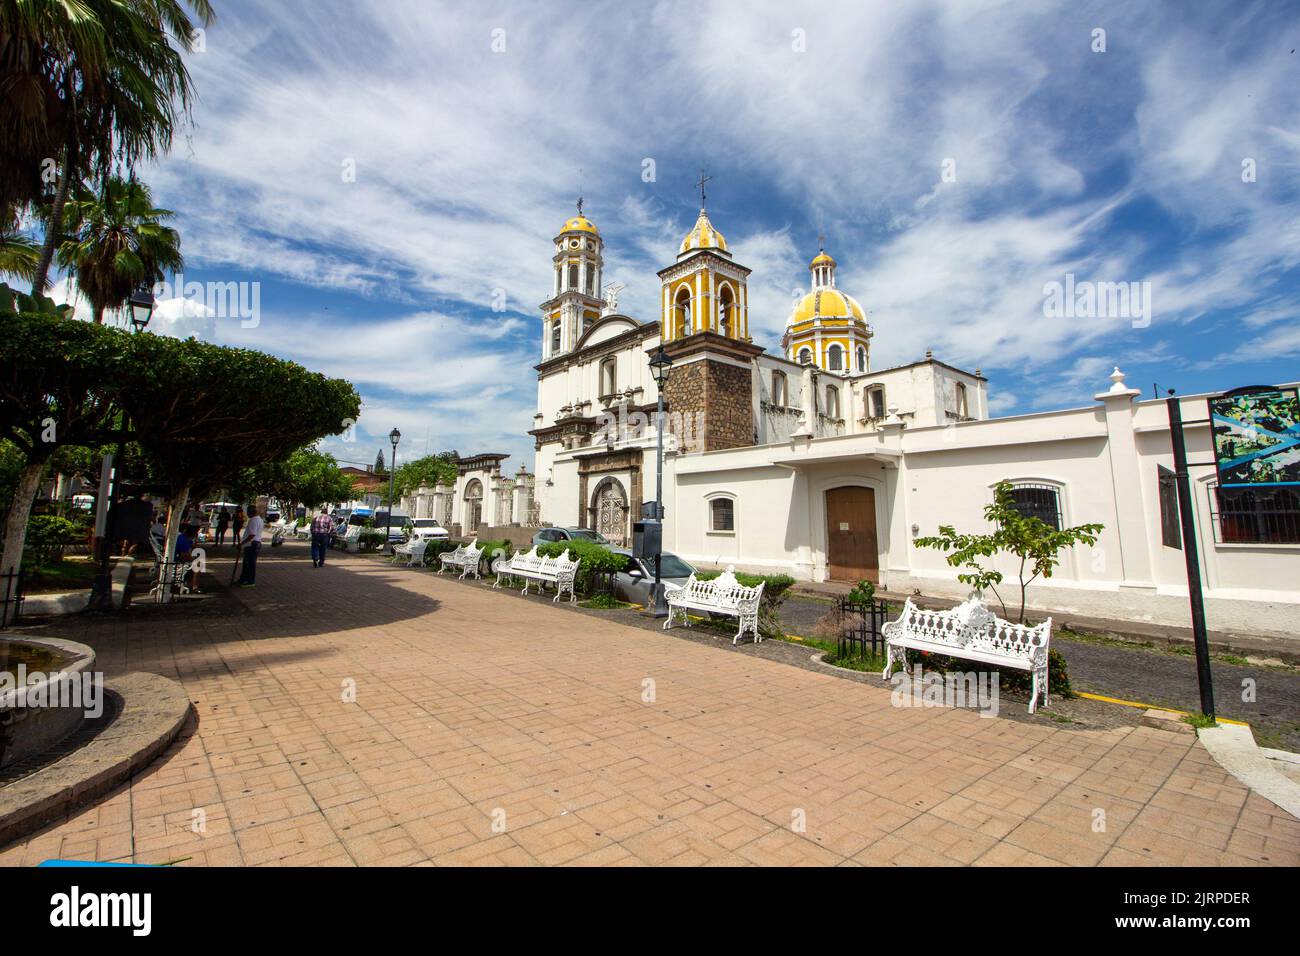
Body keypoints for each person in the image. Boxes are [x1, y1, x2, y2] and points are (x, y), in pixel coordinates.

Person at [236, 506, 264, 587]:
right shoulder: (259, 519)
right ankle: (243, 578)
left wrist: (242, 543)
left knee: (250, 563)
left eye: (248, 512)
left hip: (252, 544)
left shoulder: (253, 521)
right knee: (247, 563)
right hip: (254, 543)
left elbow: (252, 534)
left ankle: (250, 580)